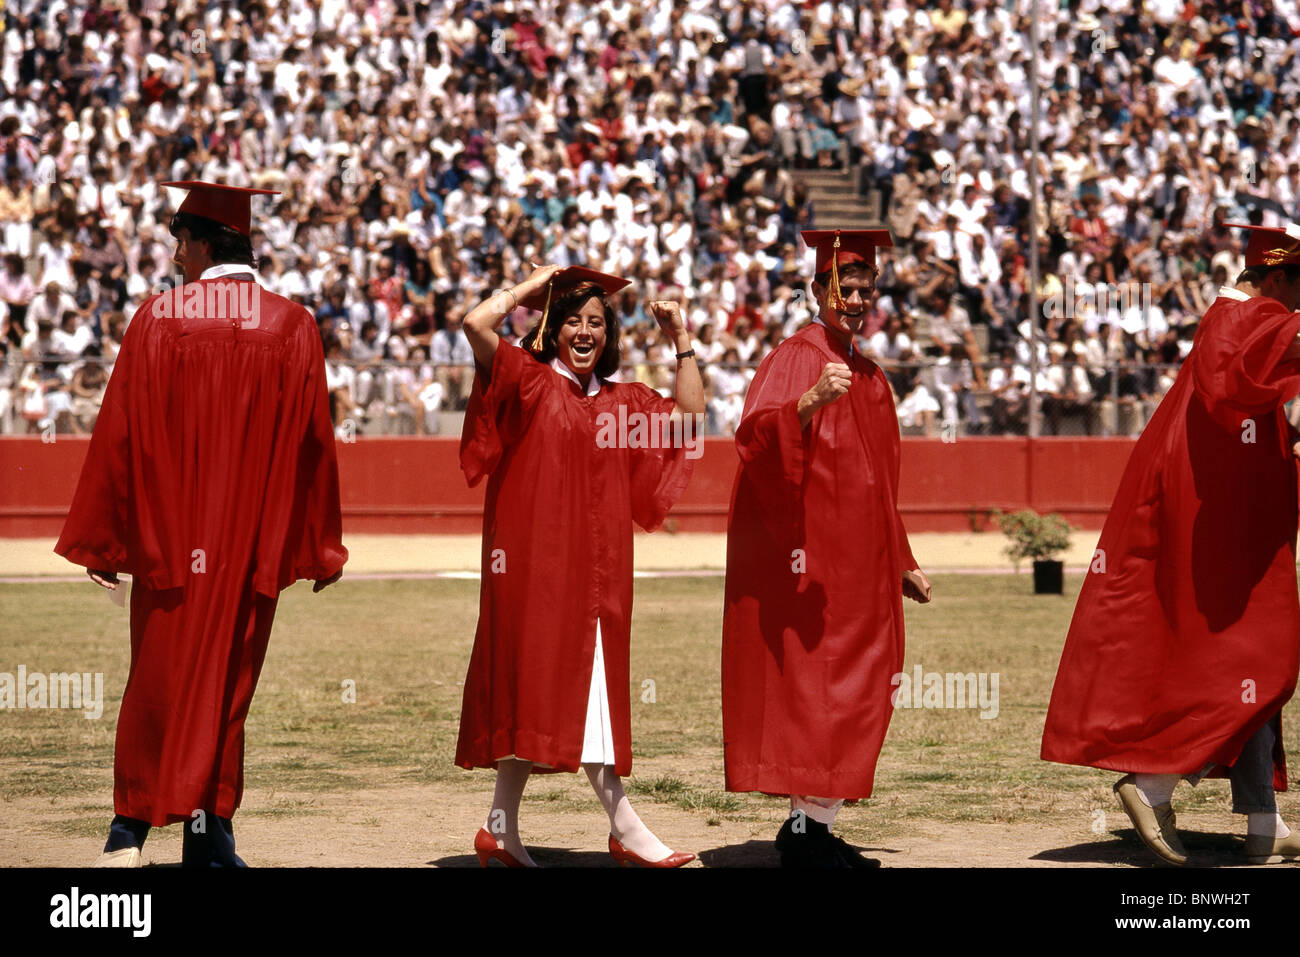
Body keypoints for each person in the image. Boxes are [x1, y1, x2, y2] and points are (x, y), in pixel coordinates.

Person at [55, 180, 348, 868]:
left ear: (202, 242)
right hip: (251, 543)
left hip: (171, 538)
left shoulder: (161, 317)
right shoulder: (290, 323)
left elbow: (120, 431)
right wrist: (317, 547)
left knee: (161, 676)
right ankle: (197, 834)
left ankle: (141, 833)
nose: (175, 255)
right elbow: (314, 444)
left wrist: (108, 535)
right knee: (230, 683)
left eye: (178, 241)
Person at [1042, 223, 1300, 866]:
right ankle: (1153, 784)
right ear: (1275, 280)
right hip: (1219, 522)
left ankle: (1265, 821)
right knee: (1253, 660)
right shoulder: (1249, 319)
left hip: (1223, 515)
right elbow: (1234, 387)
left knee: (1252, 663)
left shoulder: (1238, 319)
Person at [456, 264, 704, 868]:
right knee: (562, 690)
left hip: (599, 578)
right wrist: (528, 288)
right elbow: (473, 323)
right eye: (572, 321)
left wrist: (682, 342)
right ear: (552, 329)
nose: (585, 331)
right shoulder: (529, 380)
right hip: (537, 576)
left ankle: (499, 829)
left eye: (596, 322)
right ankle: (627, 829)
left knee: (565, 692)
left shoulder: (623, 404)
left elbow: (690, 423)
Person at [722, 229, 933, 868]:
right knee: (818, 693)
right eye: (846, 288)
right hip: (812, 568)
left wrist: (902, 558)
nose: (857, 300)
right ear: (818, 290)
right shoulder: (796, 356)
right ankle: (807, 832)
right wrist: (806, 405)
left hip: (862, 569)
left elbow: (878, 482)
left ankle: (811, 825)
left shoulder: (870, 375)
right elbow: (754, 438)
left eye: (867, 290)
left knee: (861, 690)